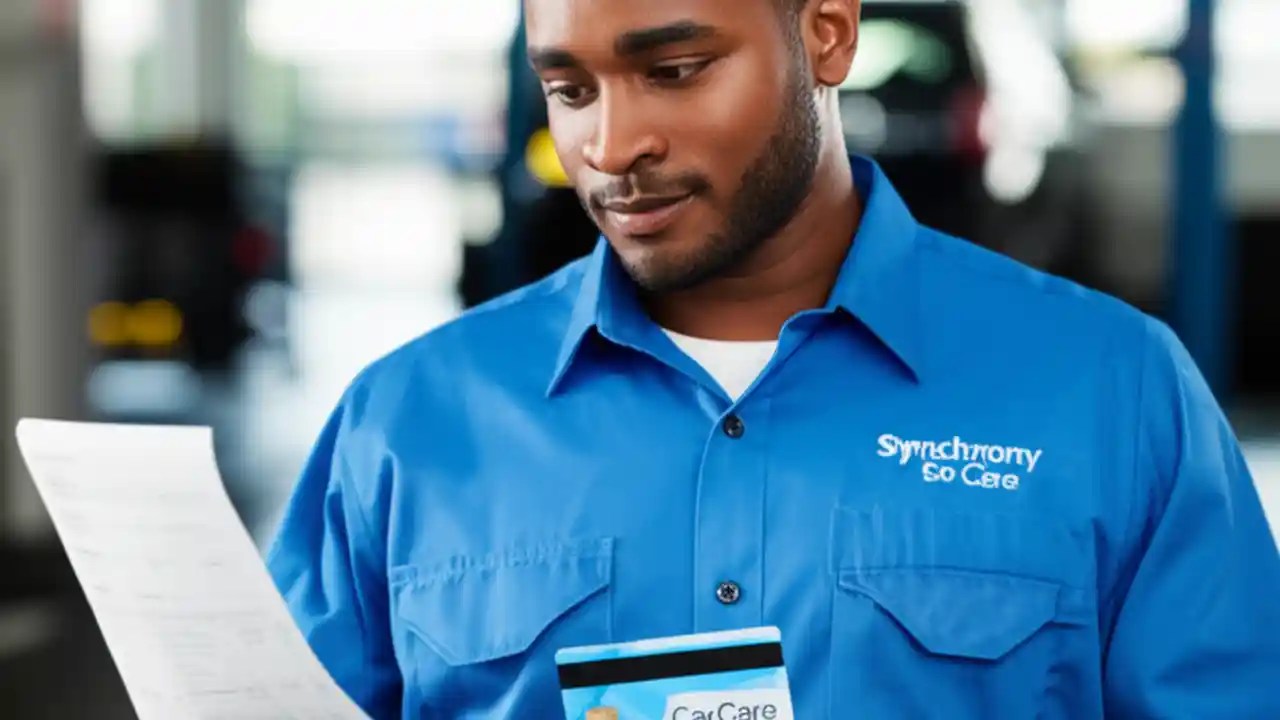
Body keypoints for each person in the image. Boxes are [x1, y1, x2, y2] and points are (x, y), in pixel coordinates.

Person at [265, 0, 1280, 717]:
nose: (611, 145)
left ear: (824, 33)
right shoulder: (407, 423)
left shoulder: (1107, 391)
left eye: (672, 70)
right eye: (569, 87)